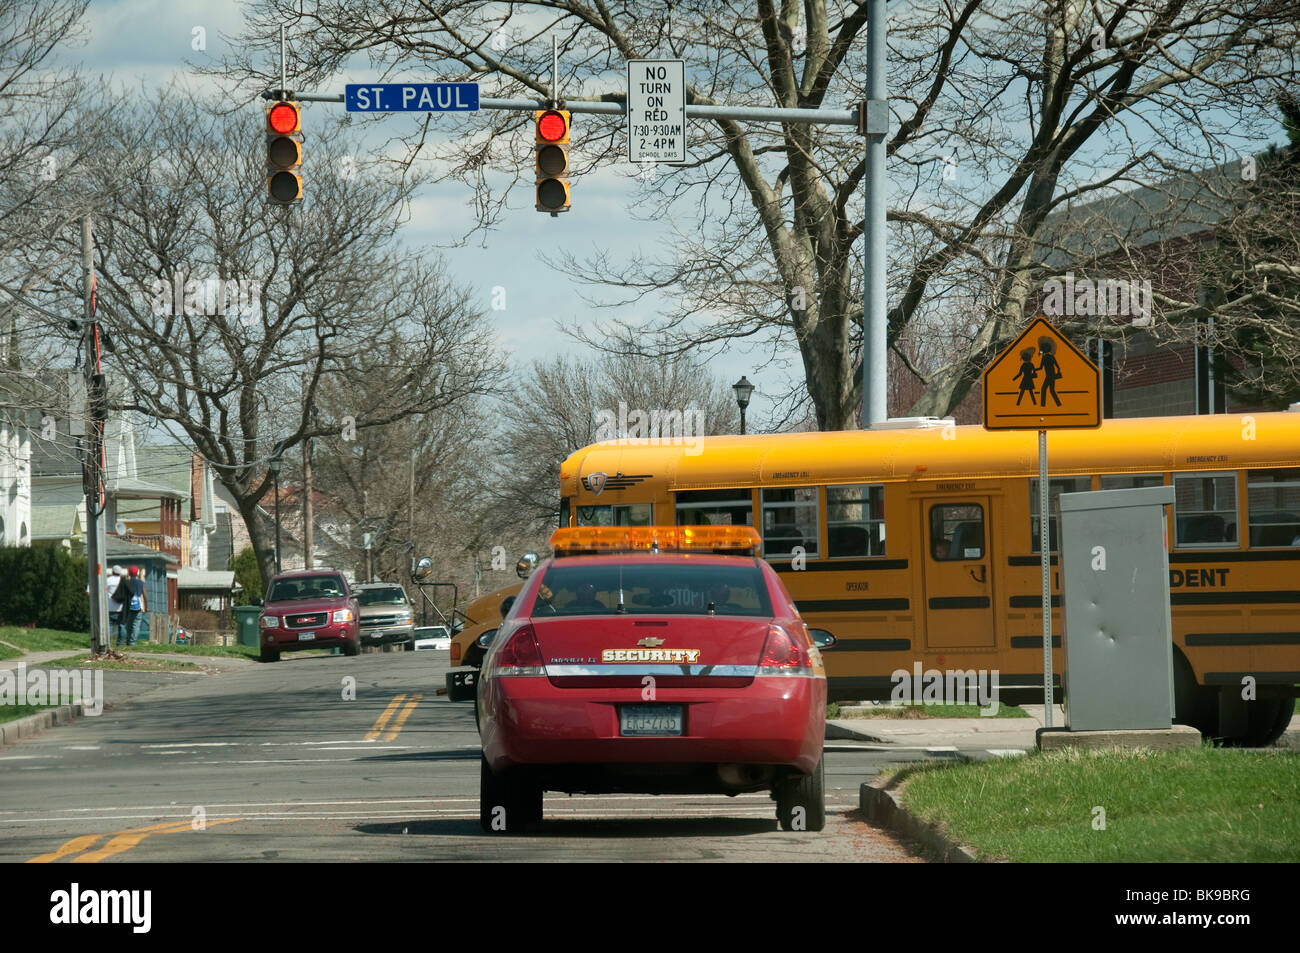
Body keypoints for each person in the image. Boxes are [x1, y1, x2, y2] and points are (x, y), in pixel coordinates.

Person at [122, 566, 147, 647]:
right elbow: (145, 595)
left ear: (129, 573)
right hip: (138, 606)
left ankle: (128, 640)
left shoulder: (126, 582)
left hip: (128, 606)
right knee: (136, 624)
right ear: (137, 573)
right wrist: (146, 606)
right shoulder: (141, 583)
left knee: (128, 624)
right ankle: (133, 642)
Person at [106, 565, 127, 646]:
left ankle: (108, 643)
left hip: (110, 607)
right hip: (121, 607)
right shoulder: (123, 581)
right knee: (121, 626)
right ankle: (120, 643)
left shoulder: (108, 580)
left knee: (109, 626)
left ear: (112, 571)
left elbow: (104, 591)